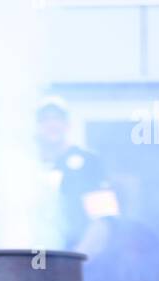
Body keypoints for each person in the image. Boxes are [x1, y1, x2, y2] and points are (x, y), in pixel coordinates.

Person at [34, 95, 119, 256]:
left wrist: (78, 258)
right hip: (36, 259)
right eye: (45, 119)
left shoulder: (89, 163)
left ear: (67, 125)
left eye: (58, 118)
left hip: (75, 261)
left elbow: (103, 220)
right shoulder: (27, 165)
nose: (52, 124)